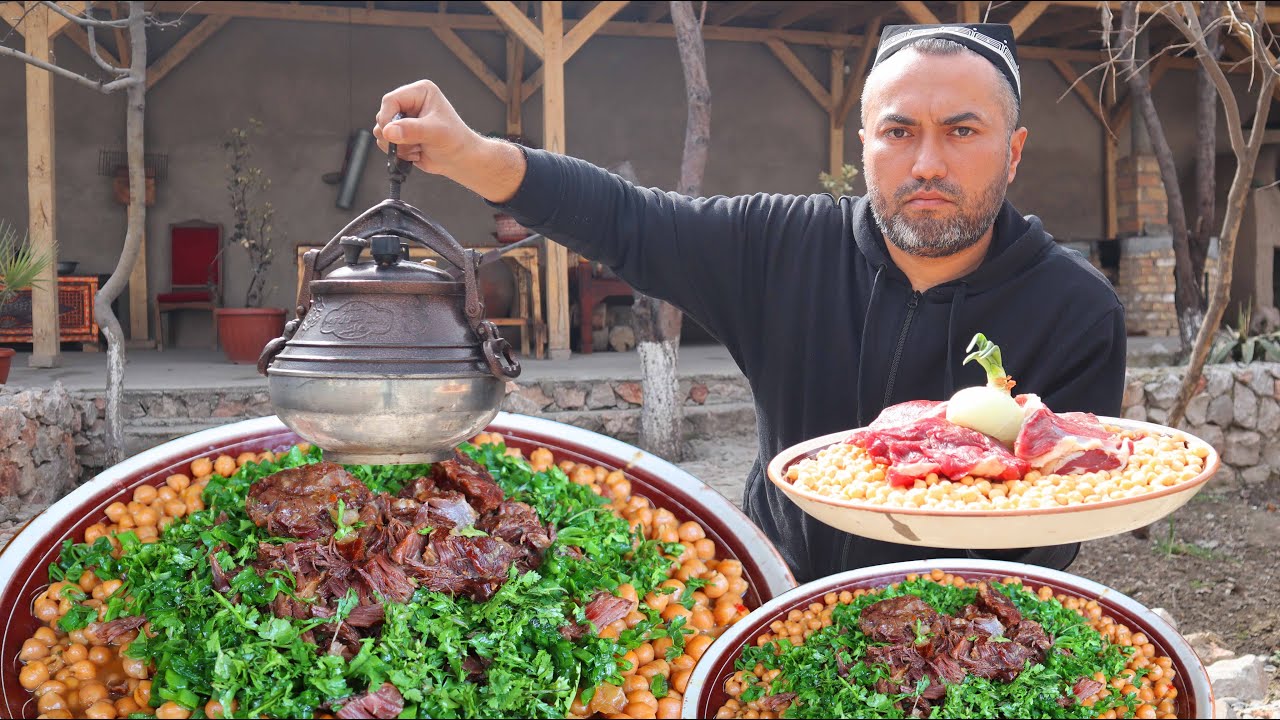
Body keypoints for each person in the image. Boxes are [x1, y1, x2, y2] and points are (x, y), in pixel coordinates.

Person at [372, 23, 1126, 583]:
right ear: (863, 142)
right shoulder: (779, 247)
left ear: (1014, 150)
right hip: (780, 599)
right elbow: (627, 219)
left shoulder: (1076, 309)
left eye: (963, 131)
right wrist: (470, 154)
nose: (927, 162)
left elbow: (1060, 522)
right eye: (899, 131)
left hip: (978, 634)